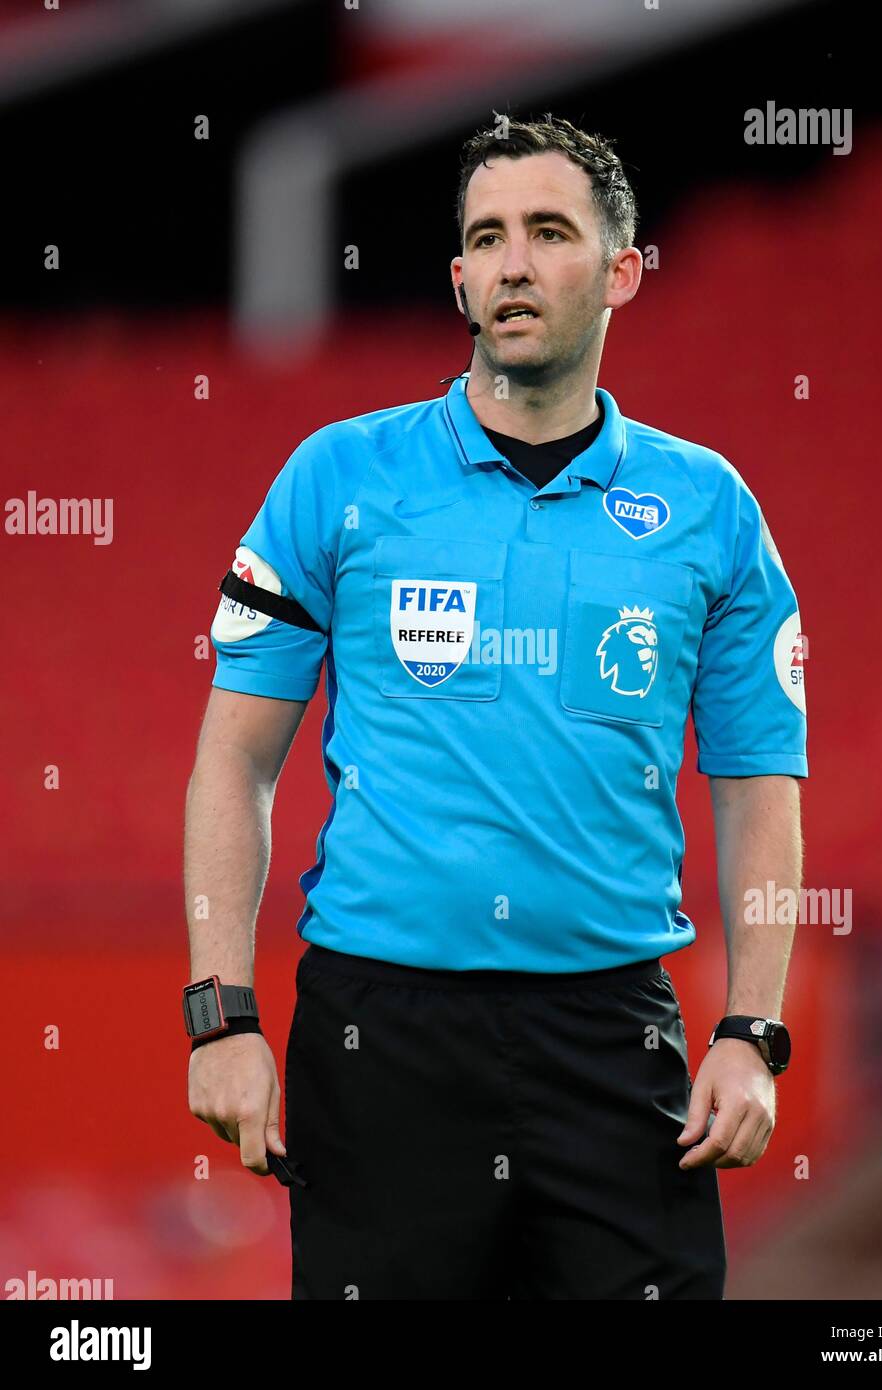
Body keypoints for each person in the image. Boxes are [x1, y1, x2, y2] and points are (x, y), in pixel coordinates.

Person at [184, 111, 807, 1300]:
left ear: (621, 271)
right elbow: (233, 765)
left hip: (614, 1041)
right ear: (460, 276)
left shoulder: (709, 510)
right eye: (487, 237)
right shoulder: (336, 477)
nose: (512, 262)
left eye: (549, 231)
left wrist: (751, 1031)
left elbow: (757, 783)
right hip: (381, 1035)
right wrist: (221, 1016)